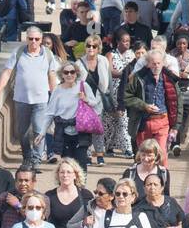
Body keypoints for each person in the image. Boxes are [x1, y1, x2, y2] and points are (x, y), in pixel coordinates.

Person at [0, 27, 58, 172]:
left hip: (41, 100)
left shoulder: (48, 55)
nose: (34, 42)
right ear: (26, 39)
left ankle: (35, 161)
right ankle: (27, 157)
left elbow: (52, 76)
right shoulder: (18, 52)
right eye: (31, 39)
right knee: (23, 132)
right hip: (21, 99)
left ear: (41, 40)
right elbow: (7, 72)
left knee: (39, 130)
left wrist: (55, 96)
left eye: (37, 39)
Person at [125, 49, 181, 167]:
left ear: (163, 63)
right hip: (143, 121)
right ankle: (142, 181)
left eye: (159, 63)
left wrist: (176, 126)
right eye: (153, 63)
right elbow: (127, 97)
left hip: (162, 120)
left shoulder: (170, 78)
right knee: (143, 155)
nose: (156, 66)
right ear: (148, 63)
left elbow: (177, 102)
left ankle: (163, 181)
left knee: (161, 154)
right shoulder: (138, 77)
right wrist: (144, 106)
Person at [75, 35, 111, 168]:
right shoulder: (79, 63)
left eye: (94, 46)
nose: (91, 48)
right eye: (88, 45)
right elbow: (77, 83)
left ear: (98, 48)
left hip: (99, 100)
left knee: (98, 128)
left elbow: (108, 82)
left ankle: (100, 155)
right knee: (86, 128)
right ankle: (88, 155)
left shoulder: (103, 61)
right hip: (84, 101)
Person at [104, 29, 135, 157]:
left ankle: (127, 148)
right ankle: (108, 146)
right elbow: (109, 71)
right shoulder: (110, 55)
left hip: (126, 91)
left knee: (124, 120)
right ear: (117, 42)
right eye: (124, 41)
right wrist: (126, 73)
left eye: (128, 41)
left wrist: (124, 74)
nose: (126, 43)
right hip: (112, 91)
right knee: (110, 121)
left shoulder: (132, 55)